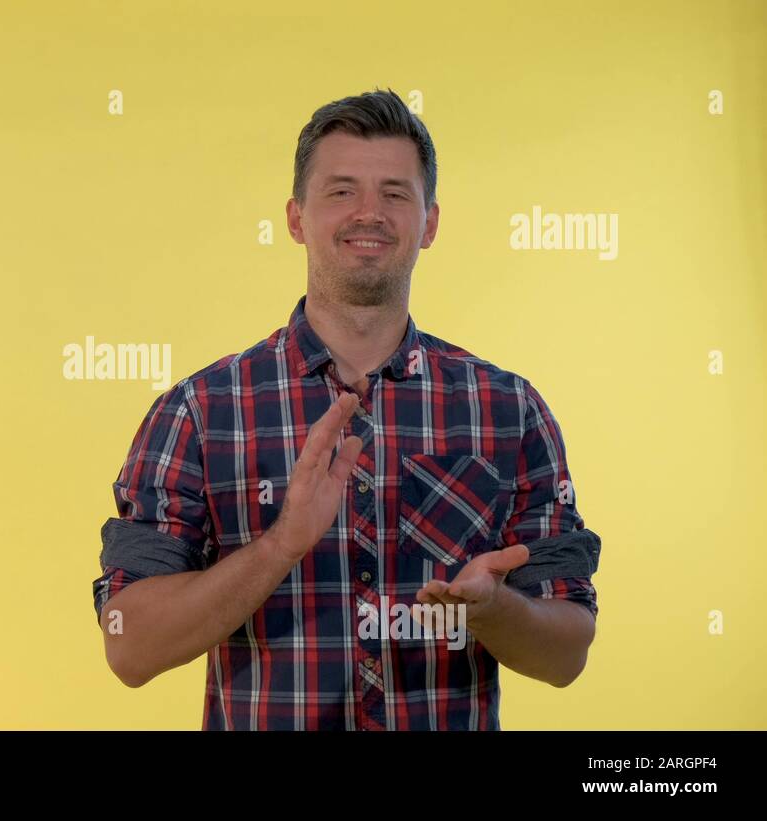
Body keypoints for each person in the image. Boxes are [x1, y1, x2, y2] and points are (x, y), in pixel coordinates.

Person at [92, 88, 601, 730]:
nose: (369, 213)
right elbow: (129, 645)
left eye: (394, 192)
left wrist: (493, 608)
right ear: (297, 217)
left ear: (430, 221)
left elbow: (567, 653)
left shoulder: (507, 408)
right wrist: (281, 545)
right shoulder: (198, 412)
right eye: (341, 191)